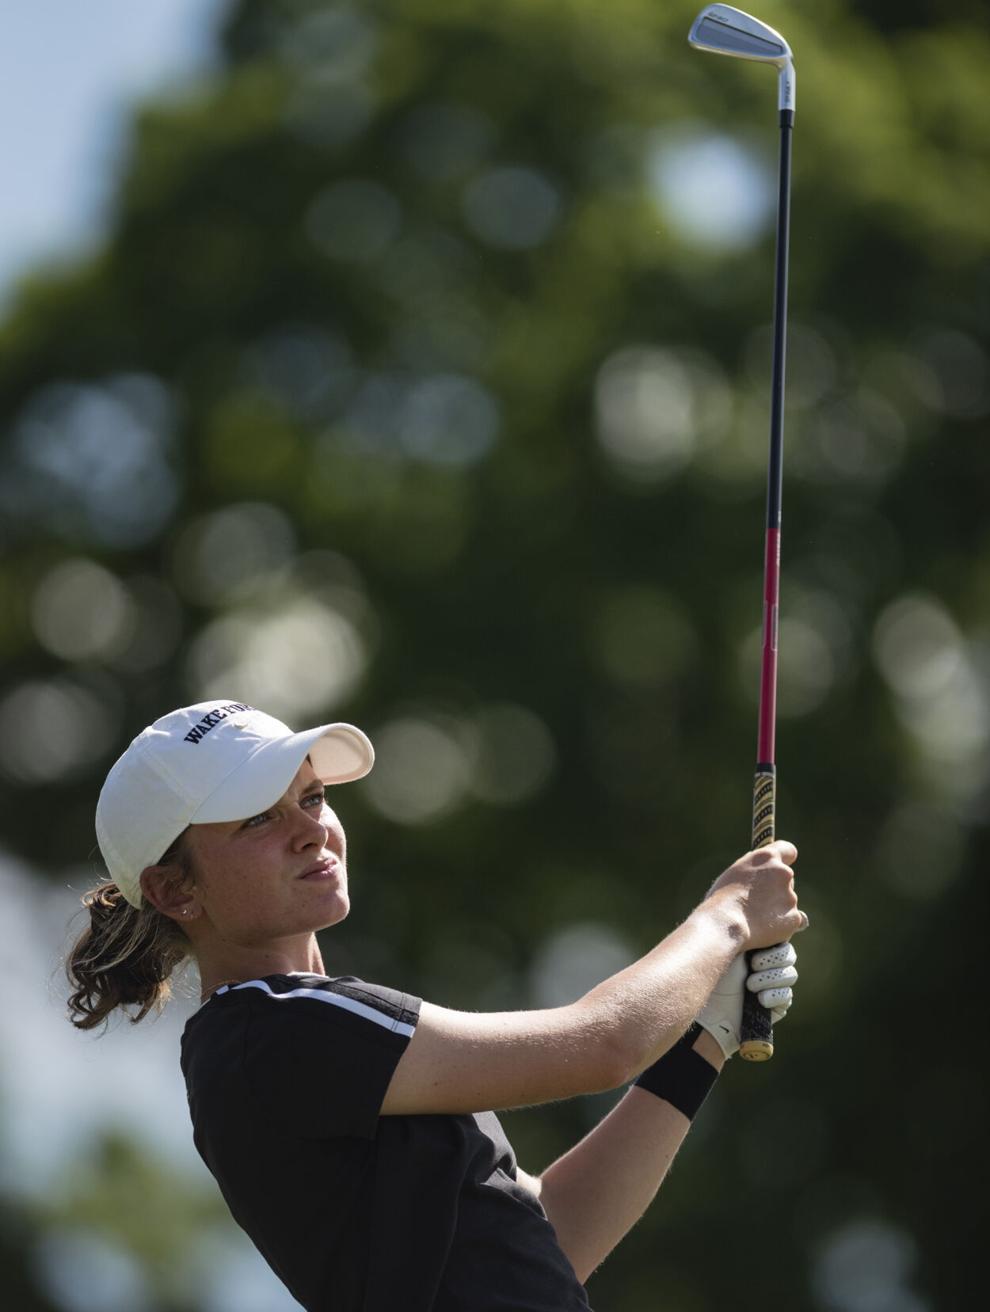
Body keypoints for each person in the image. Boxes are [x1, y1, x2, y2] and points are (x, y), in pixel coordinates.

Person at [66, 699, 807, 1312]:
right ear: (173, 891)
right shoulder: (270, 1028)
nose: (309, 830)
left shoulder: (306, 1031)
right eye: (257, 818)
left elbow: (551, 1236)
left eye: (312, 797)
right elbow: (601, 1046)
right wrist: (728, 917)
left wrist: (706, 1029)